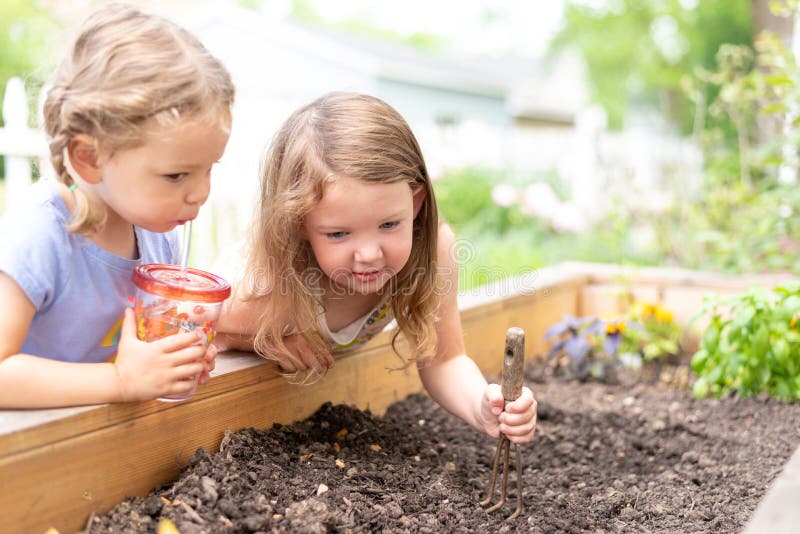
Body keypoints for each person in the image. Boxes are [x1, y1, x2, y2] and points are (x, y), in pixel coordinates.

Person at [216, 92, 536, 444]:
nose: (368, 254)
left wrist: (482, 406)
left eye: (389, 225)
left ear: (415, 204)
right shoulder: (268, 286)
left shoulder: (433, 253)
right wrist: (256, 340)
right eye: (338, 233)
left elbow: (445, 358)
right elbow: (188, 321)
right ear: (299, 225)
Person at [0, 4, 235, 408]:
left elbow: (136, 353)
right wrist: (122, 380)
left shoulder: (156, 234)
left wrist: (172, 359)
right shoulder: (38, 236)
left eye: (209, 169)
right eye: (176, 176)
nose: (200, 194)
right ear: (90, 158)